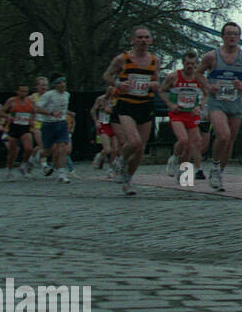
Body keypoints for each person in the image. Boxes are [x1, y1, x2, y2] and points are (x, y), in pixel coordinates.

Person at [198, 22, 242, 192]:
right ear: (223, 36)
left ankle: (219, 172)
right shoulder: (211, 56)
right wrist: (208, 87)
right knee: (223, 136)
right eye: (229, 33)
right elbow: (198, 72)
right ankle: (215, 167)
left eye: (236, 34)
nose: (232, 37)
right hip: (217, 102)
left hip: (236, 103)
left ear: (239, 37)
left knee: (230, 139)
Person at [101, 25, 160, 195]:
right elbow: (107, 76)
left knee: (141, 148)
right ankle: (120, 160)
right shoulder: (123, 59)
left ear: (151, 40)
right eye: (139, 37)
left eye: (146, 37)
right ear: (132, 40)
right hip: (126, 104)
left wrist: (155, 84)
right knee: (133, 142)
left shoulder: (155, 60)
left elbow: (156, 81)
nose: (143, 40)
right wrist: (119, 84)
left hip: (146, 104)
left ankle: (128, 179)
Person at [160, 51, 207, 180]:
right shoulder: (173, 76)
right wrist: (170, 104)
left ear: (197, 64)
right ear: (183, 63)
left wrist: (199, 106)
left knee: (192, 144)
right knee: (183, 140)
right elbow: (161, 90)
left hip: (192, 114)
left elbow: (207, 94)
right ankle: (173, 158)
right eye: (187, 63)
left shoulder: (200, 78)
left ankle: (183, 171)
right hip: (177, 114)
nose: (190, 66)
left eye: (193, 64)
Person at [35, 75, 73, 183]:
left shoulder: (67, 94)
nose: (62, 85)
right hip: (48, 124)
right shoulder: (48, 95)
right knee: (48, 151)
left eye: (64, 82)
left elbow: (63, 109)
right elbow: (37, 108)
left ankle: (61, 174)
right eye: (59, 83)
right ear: (54, 85)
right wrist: (50, 113)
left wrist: (69, 115)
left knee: (62, 147)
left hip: (61, 123)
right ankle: (37, 156)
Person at [2, 83, 35, 179]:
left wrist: (32, 120)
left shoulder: (30, 101)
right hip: (14, 127)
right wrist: (7, 116)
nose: (23, 93)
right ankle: (9, 170)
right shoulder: (12, 101)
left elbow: (33, 112)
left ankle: (23, 165)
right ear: (17, 91)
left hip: (25, 127)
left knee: (29, 149)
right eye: (21, 91)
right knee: (13, 151)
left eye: (25, 91)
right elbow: (2, 112)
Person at [89, 85, 119, 173]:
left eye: (113, 89)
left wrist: (111, 111)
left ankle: (111, 167)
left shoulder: (116, 100)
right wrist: (96, 121)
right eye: (110, 88)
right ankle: (100, 155)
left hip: (113, 124)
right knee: (107, 149)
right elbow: (93, 110)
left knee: (115, 149)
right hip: (103, 124)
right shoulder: (101, 99)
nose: (112, 91)